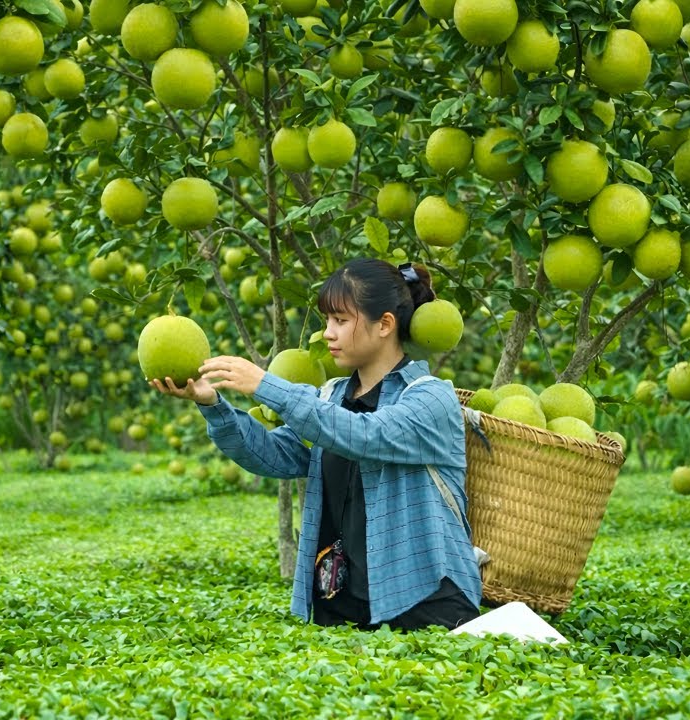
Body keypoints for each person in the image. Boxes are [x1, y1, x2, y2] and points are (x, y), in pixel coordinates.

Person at [151, 258, 481, 631]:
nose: (327, 333)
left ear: (385, 324)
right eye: (326, 321)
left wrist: (266, 385)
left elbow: (364, 435)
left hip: (423, 604)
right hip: (341, 607)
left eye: (340, 321)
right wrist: (211, 404)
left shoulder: (430, 400)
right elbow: (274, 455)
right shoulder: (331, 397)